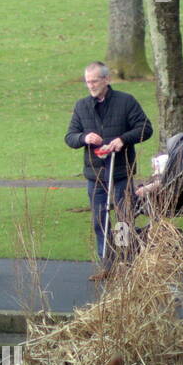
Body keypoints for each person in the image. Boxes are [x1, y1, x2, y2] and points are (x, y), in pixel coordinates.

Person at [65, 61, 153, 279]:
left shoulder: (126, 102)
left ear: (106, 79)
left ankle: (125, 261)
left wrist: (123, 139)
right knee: (100, 220)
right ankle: (107, 264)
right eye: (87, 82)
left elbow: (145, 128)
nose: (91, 85)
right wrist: (84, 138)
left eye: (94, 81)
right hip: (95, 175)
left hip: (121, 171)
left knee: (124, 218)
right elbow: (70, 137)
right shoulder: (82, 106)